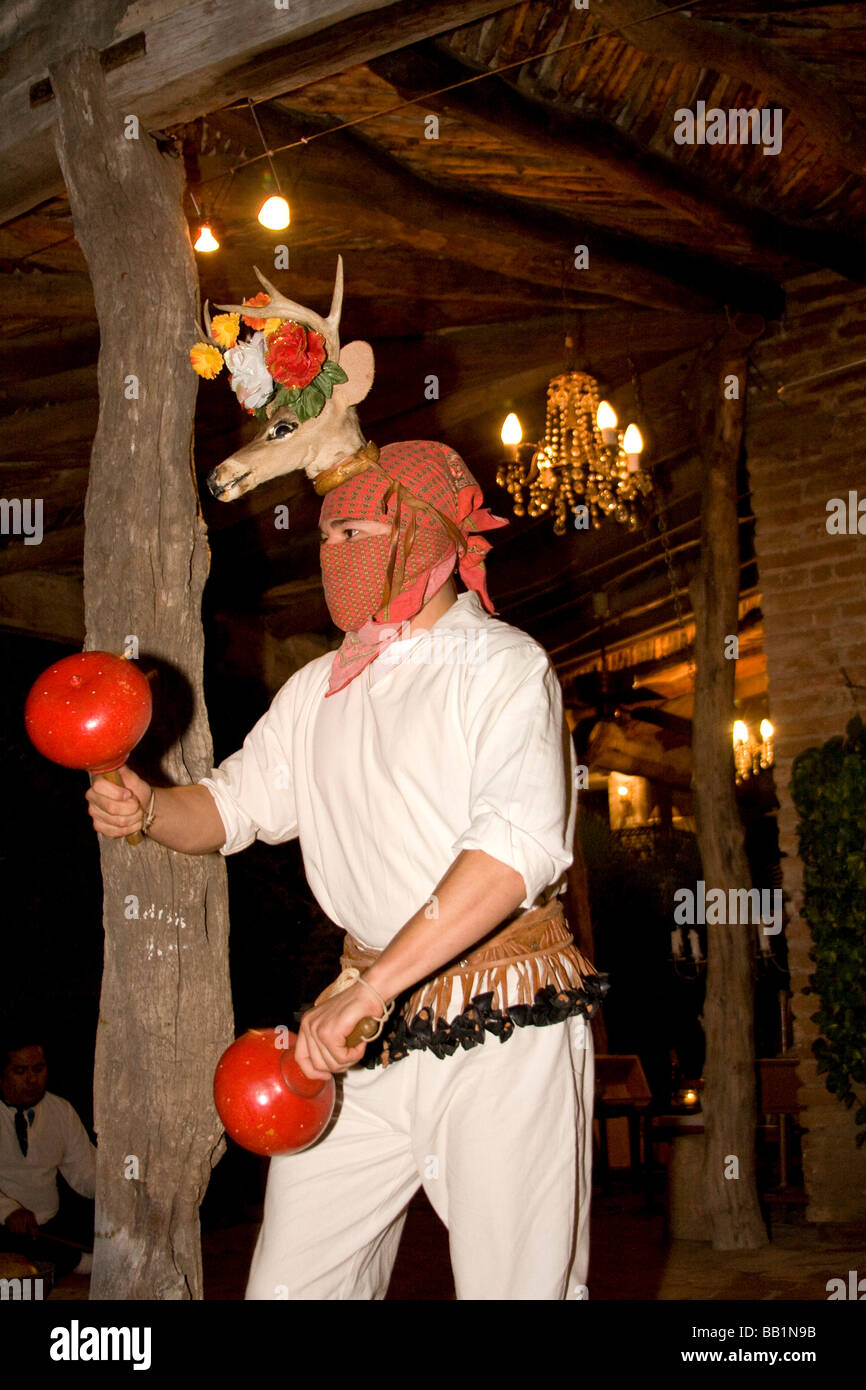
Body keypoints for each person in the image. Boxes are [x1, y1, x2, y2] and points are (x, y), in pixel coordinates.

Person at [86, 439, 608, 1300]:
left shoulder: (504, 669)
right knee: (293, 1285)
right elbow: (229, 807)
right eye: (326, 537)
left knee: (517, 1289)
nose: (335, 555)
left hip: (501, 1021)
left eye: (357, 530)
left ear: (430, 540)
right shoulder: (319, 686)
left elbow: (513, 854)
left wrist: (369, 994)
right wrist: (148, 808)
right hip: (359, 1029)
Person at [0, 1033, 96, 1277]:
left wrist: (121, 1188)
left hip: (50, 1229)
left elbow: (86, 1173)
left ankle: (73, 1260)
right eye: (20, 1071)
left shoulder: (60, 1110)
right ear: (1, 1075)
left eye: (39, 1069)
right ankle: (78, 1262)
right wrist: (7, 1209)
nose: (32, 1079)